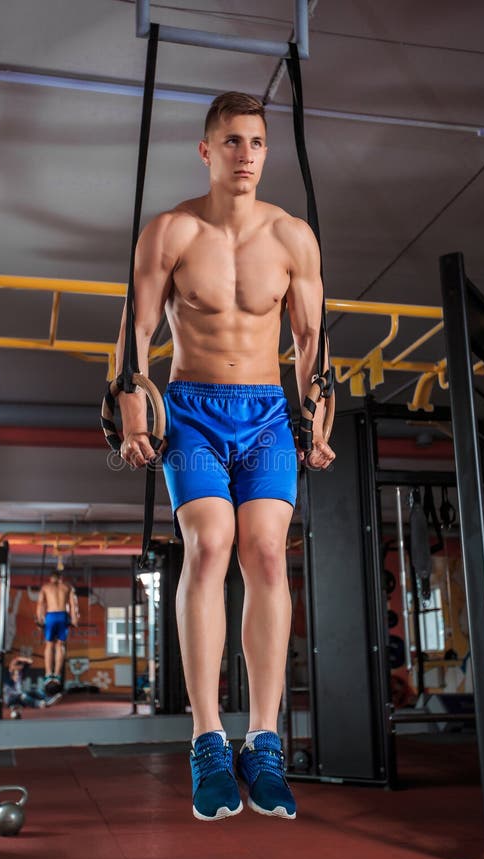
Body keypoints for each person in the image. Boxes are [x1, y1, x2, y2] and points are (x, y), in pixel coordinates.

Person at [116, 92, 335, 822]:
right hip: (192, 412)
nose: (247, 154)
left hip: (267, 413)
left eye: (257, 142)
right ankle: (208, 738)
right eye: (233, 141)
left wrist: (319, 414)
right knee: (210, 545)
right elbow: (136, 328)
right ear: (206, 151)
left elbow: (310, 340)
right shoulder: (172, 231)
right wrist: (130, 404)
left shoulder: (293, 237)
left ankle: (263, 741)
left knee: (267, 553)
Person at [36, 572, 79, 686]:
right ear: (61, 578)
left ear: (50, 578)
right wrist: (74, 619)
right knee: (60, 644)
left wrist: (40, 620)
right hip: (62, 616)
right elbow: (73, 604)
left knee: (49, 644)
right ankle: (57, 674)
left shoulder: (46, 587)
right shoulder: (67, 587)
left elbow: (40, 604)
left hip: (50, 616)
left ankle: (48, 673)